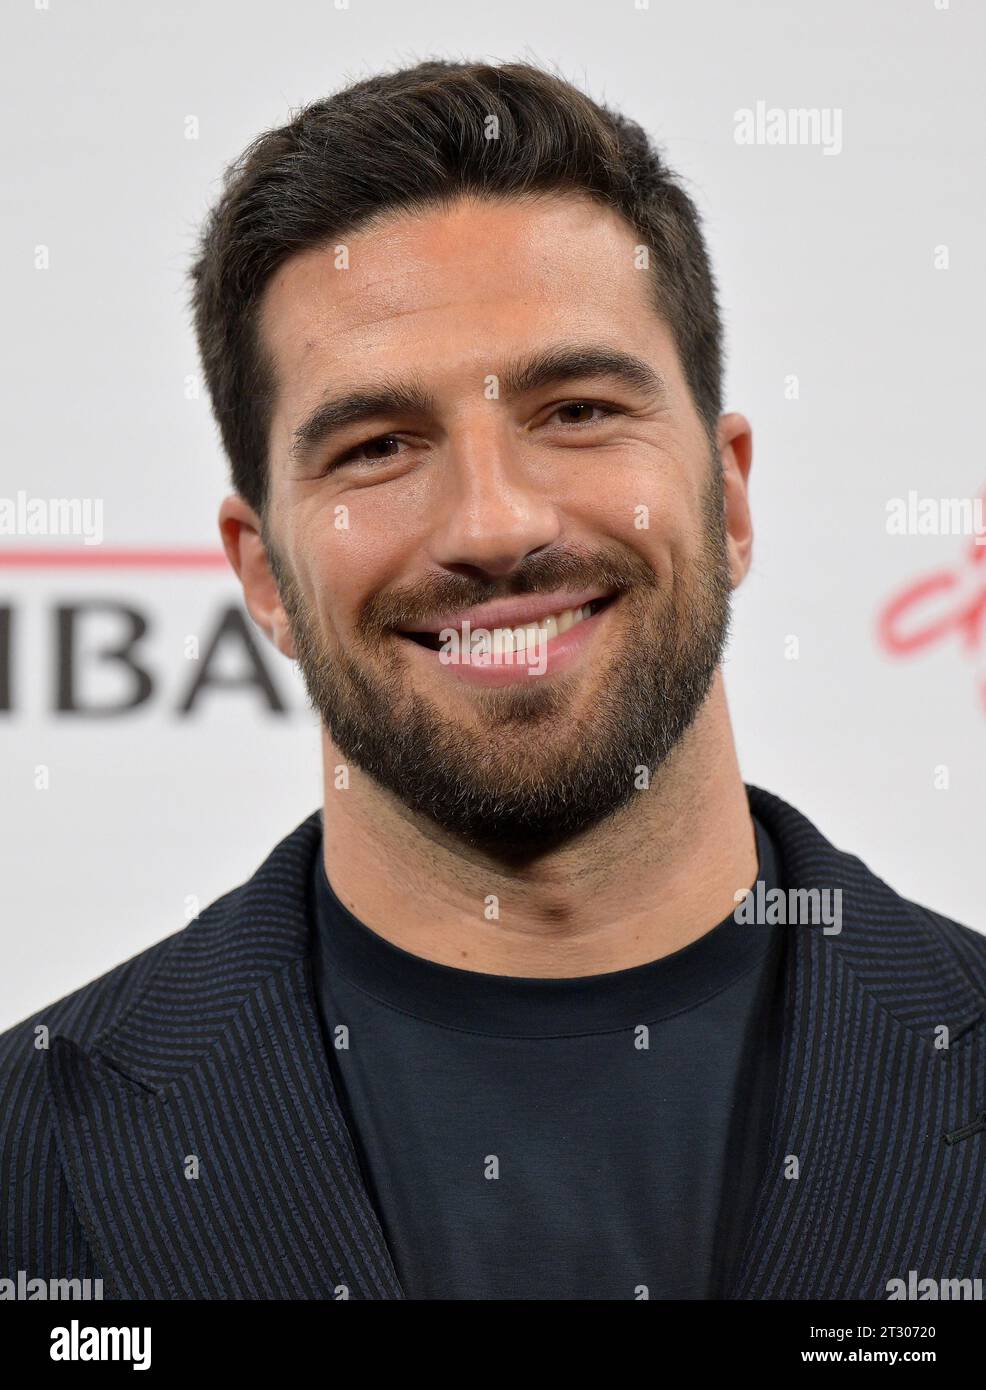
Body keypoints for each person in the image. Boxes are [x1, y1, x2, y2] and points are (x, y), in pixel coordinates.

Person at [2, 59, 983, 1301]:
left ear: (727, 495)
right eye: (378, 446)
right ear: (262, 574)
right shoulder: (23, 1149)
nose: (491, 521)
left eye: (574, 410)